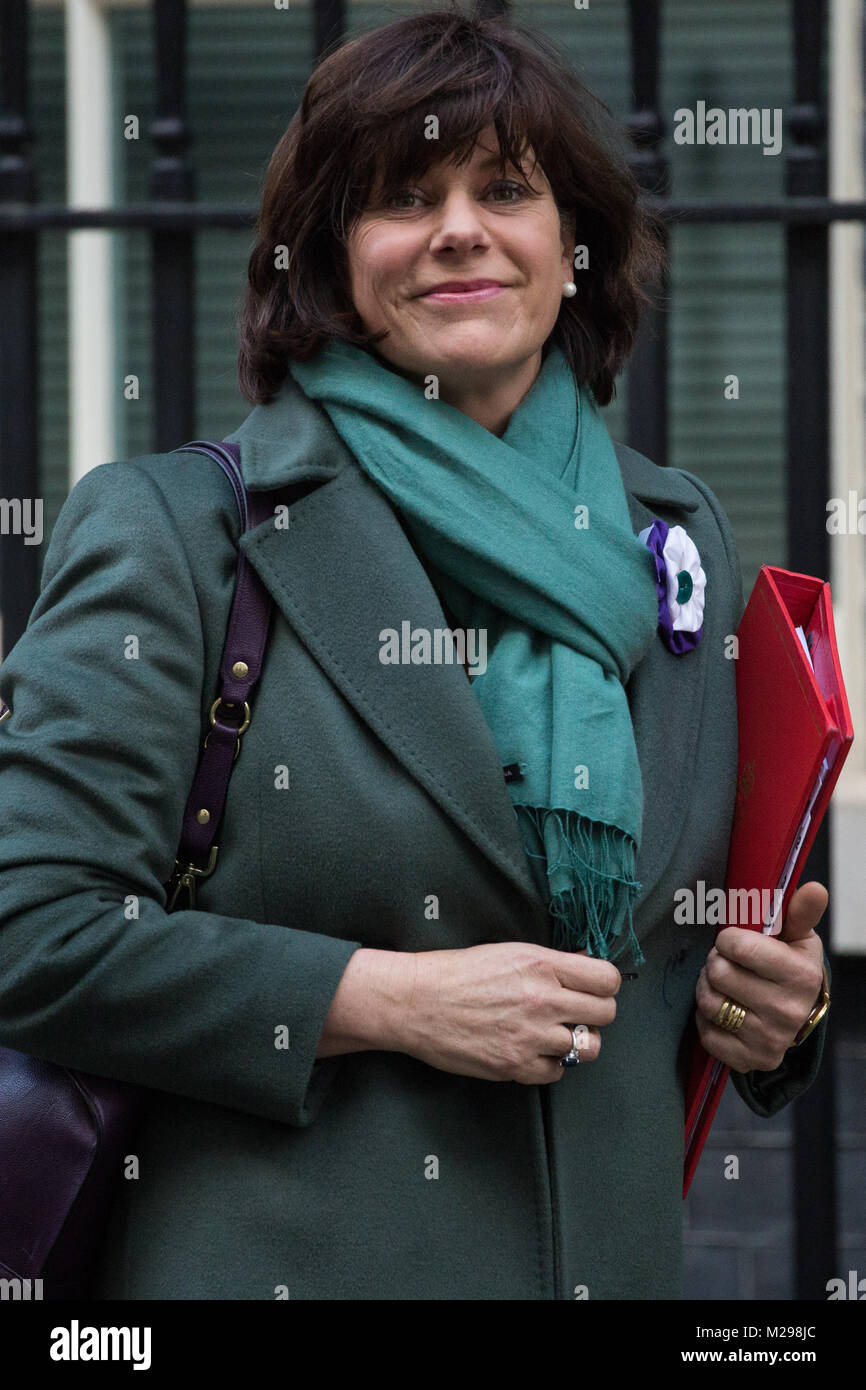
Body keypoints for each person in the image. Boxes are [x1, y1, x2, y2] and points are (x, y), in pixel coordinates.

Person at [0, 8, 829, 1301]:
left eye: (504, 188)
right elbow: (33, 935)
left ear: (574, 249)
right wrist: (385, 997)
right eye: (401, 196)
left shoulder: (674, 537)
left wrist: (774, 1012)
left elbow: (672, 947)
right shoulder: (177, 528)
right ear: (332, 259)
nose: (457, 228)